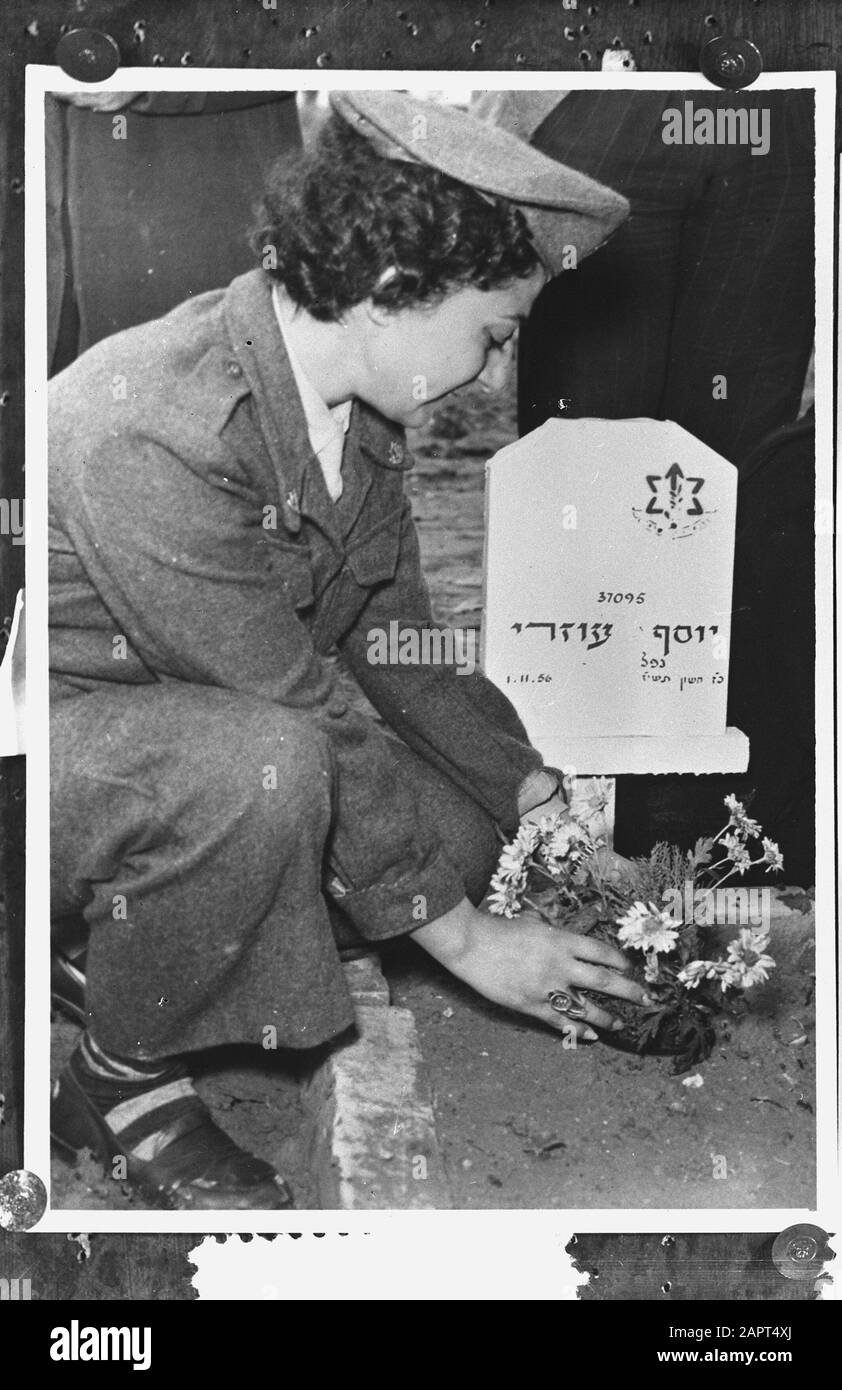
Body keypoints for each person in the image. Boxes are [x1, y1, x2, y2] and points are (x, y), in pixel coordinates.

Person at [48, 90, 640, 1210]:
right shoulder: (151, 424)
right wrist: (466, 945)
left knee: (457, 830)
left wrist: (534, 794)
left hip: (187, 738)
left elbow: (399, 641)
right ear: (389, 293)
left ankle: (137, 942)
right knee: (264, 768)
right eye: (492, 334)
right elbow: (300, 700)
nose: (491, 370)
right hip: (61, 769)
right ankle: (117, 1078)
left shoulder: (353, 413)